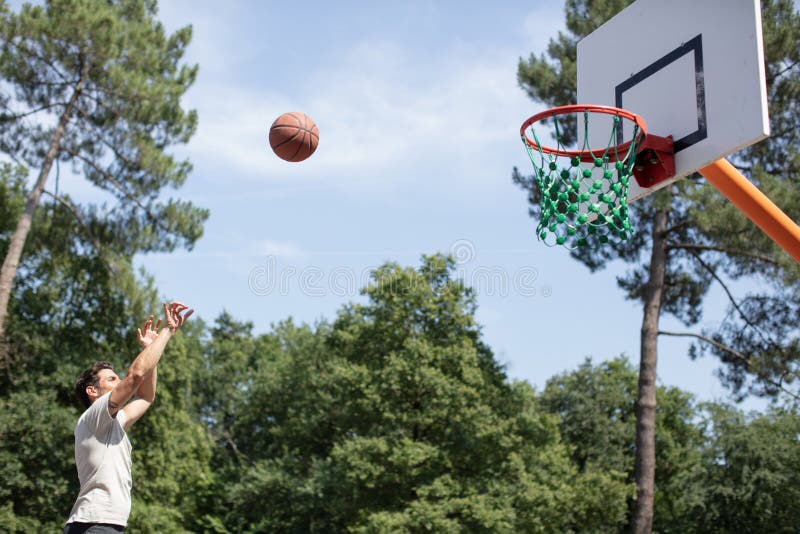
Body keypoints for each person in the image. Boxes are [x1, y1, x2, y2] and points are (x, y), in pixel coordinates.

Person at [64, 301, 193, 534]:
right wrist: (168, 331)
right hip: (93, 525)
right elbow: (135, 376)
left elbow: (146, 397)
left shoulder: (112, 423)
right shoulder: (93, 417)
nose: (119, 382)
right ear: (92, 391)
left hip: (105, 525)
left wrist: (150, 348)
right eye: (111, 379)